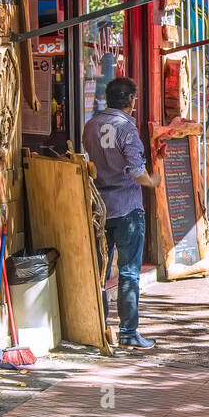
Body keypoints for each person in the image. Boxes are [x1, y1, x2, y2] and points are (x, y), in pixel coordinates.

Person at [82, 77, 160, 349]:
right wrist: (152, 182)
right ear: (131, 101)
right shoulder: (126, 128)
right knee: (128, 272)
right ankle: (128, 332)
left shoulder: (90, 126)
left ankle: (99, 327)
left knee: (100, 270)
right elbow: (137, 171)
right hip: (127, 208)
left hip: (100, 208)